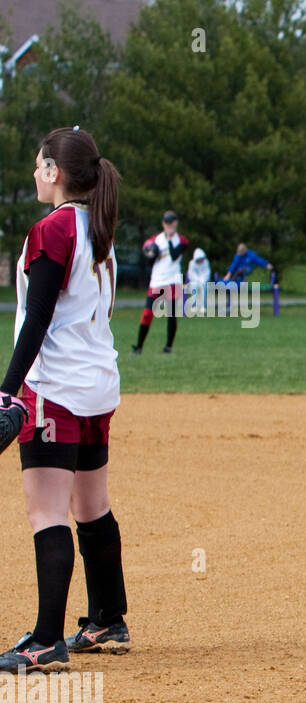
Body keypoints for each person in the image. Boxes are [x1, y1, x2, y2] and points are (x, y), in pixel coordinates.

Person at [0, 127, 132, 675]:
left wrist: (7, 390)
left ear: (56, 172)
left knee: (47, 511)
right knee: (90, 506)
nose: (34, 173)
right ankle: (107, 618)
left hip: (54, 390)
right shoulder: (96, 230)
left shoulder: (54, 228)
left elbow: (38, 317)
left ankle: (46, 640)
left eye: (39, 165)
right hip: (98, 386)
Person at [132, 210, 188, 355]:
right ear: (163, 223)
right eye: (166, 223)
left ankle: (168, 346)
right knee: (147, 314)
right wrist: (150, 254)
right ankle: (138, 347)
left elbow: (175, 256)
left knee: (171, 315)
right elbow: (149, 260)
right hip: (157, 281)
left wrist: (169, 240)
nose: (168, 225)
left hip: (172, 281)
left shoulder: (181, 240)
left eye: (171, 223)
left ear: (175, 223)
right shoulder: (155, 240)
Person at [186, 246, 211, 314]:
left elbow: (207, 273)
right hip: (194, 281)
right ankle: (194, 305)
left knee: (204, 287)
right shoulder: (191, 263)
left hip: (204, 281)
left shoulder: (206, 262)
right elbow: (191, 274)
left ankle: (203, 306)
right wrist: (197, 280)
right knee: (194, 286)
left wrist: (203, 280)